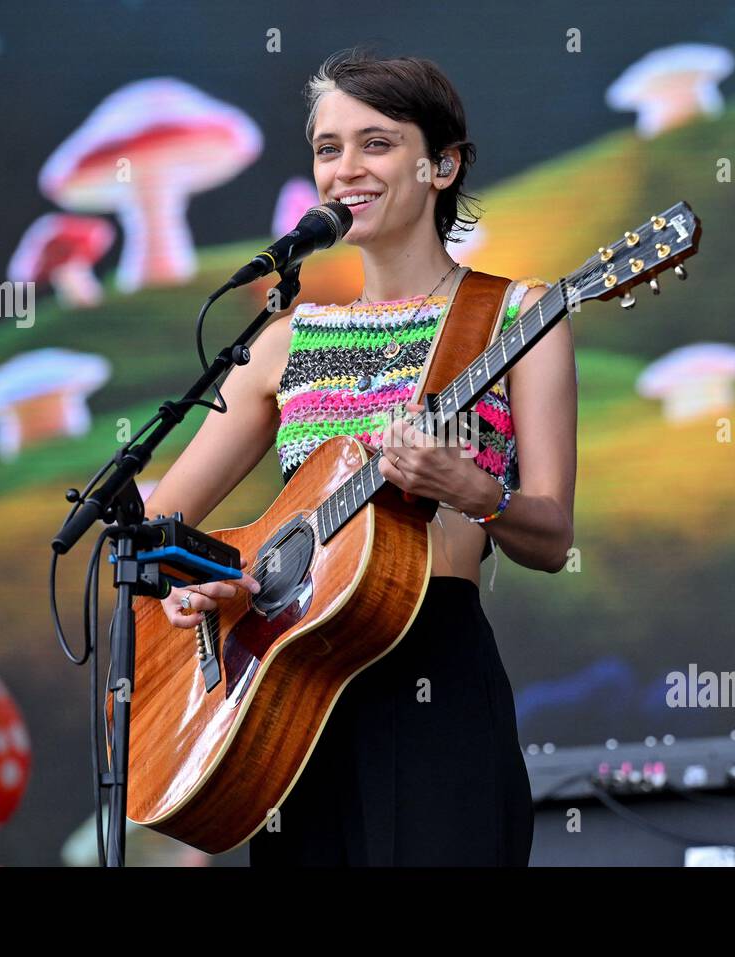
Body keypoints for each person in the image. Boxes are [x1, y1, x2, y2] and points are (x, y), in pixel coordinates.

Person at [142, 47, 577, 865]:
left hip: (434, 677)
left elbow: (552, 537)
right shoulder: (281, 344)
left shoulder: (517, 315)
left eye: (376, 143)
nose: (346, 169)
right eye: (328, 148)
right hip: (290, 696)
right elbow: (166, 524)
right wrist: (191, 583)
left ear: (441, 165)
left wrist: (475, 491)